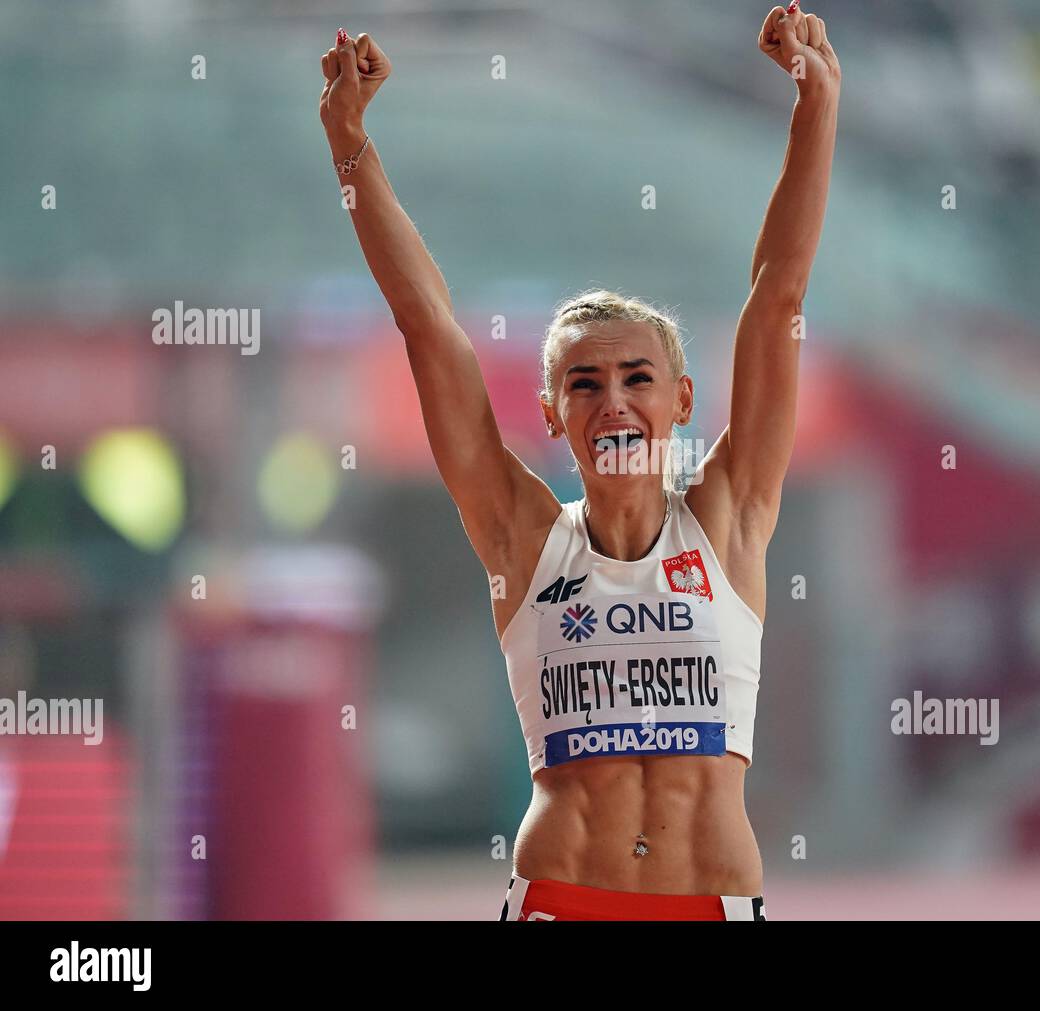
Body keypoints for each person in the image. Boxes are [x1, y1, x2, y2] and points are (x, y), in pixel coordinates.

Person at [318, 4, 839, 920]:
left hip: (708, 898)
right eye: (585, 383)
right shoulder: (523, 538)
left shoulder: (729, 516)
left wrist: (816, 102)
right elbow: (428, 326)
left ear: (681, 401)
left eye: (638, 376)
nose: (614, 400)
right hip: (563, 894)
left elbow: (779, 292)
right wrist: (351, 147)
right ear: (554, 414)